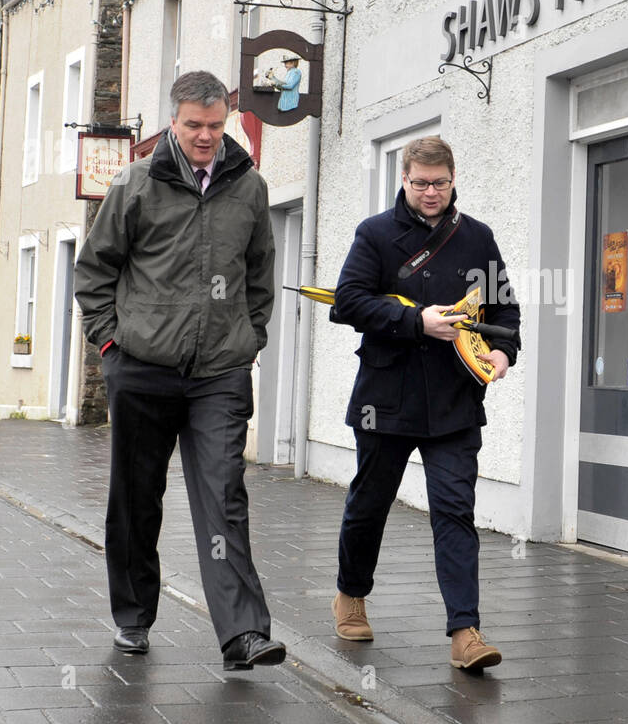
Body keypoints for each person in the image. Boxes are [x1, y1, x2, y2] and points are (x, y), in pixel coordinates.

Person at [74, 70, 285, 671]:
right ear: (174, 120)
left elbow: (259, 275)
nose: (205, 136)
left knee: (225, 493)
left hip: (220, 371)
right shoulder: (136, 183)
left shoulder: (250, 189)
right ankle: (134, 617)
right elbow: (95, 272)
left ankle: (243, 633)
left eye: (216, 126)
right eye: (194, 125)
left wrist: (249, 339)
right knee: (137, 497)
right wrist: (111, 346)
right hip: (141, 368)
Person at [329, 136, 520, 670]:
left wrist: (504, 353)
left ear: (453, 179)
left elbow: (506, 311)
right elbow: (348, 302)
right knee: (370, 503)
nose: (430, 192)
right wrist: (416, 321)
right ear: (404, 180)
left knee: (455, 511)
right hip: (385, 398)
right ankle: (350, 593)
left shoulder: (477, 237)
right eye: (420, 183)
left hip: (456, 399)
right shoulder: (375, 234)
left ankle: (465, 631)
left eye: (439, 183)